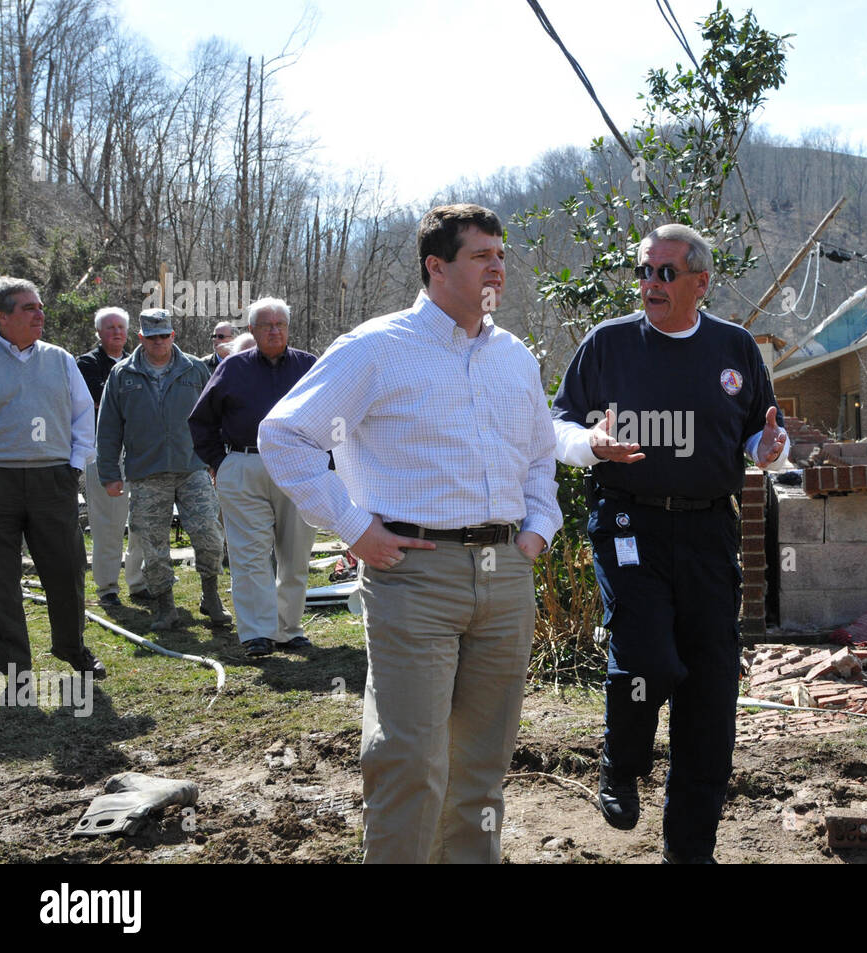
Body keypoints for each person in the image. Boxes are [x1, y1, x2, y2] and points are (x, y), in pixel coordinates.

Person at [259, 203, 561, 864]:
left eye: (501, 255)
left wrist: (537, 530)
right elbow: (285, 434)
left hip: (505, 574)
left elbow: (540, 454)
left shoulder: (513, 356)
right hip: (413, 573)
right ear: (436, 265)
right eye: (482, 255)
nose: (498, 268)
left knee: (482, 767)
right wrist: (352, 524)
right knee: (409, 759)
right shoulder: (378, 347)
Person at [550, 224, 789, 863]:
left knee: (710, 691)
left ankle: (690, 849)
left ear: (700, 282)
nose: (650, 285)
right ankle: (621, 761)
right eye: (643, 272)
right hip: (631, 525)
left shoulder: (734, 347)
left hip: (711, 531)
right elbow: (555, 423)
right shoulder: (608, 345)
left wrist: (767, 449)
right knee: (648, 662)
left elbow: (761, 436)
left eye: (665, 273)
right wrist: (588, 445)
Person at [0, 276, 106, 680]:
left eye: (40, 306)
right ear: (2, 317)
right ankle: (15, 666)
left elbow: (82, 413)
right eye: (29, 308)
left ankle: (71, 648)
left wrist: (74, 463)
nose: (40, 314)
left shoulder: (60, 359)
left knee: (66, 568)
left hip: (52, 480)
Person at [189, 298, 318, 659]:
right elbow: (200, 421)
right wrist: (221, 462)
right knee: (250, 555)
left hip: (298, 468)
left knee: (295, 554)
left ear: (288, 328)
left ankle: (288, 628)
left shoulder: (309, 366)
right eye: (265, 325)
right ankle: (256, 632)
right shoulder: (232, 369)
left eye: (280, 324)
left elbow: (335, 413)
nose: (274, 330)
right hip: (244, 465)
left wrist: (326, 463)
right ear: (252, 331)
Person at [96, 310, 229, 632]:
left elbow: (215, 417)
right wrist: (109, 472)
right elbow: (109, 427)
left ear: (173, 336)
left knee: (210, 535)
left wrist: (217, 459)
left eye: (164, 336)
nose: (159, 342)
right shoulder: (122, 374)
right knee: (153, 546)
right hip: (146, 470)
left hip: (192, 467)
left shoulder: (195, 369)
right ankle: (164, 606)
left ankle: (210, 596)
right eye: (152, 337)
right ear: (140, 338)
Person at [76, 307, 147, 608]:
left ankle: (139, 582)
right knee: (108, 522)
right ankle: (107, 586)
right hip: (106, 451)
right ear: (98, 333)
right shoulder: (87, 364)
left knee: (143, 521)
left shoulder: (139, 362)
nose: (116, 332)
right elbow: (97, 402)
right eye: (109, 328)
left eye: (120, 327)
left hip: (142, 451)